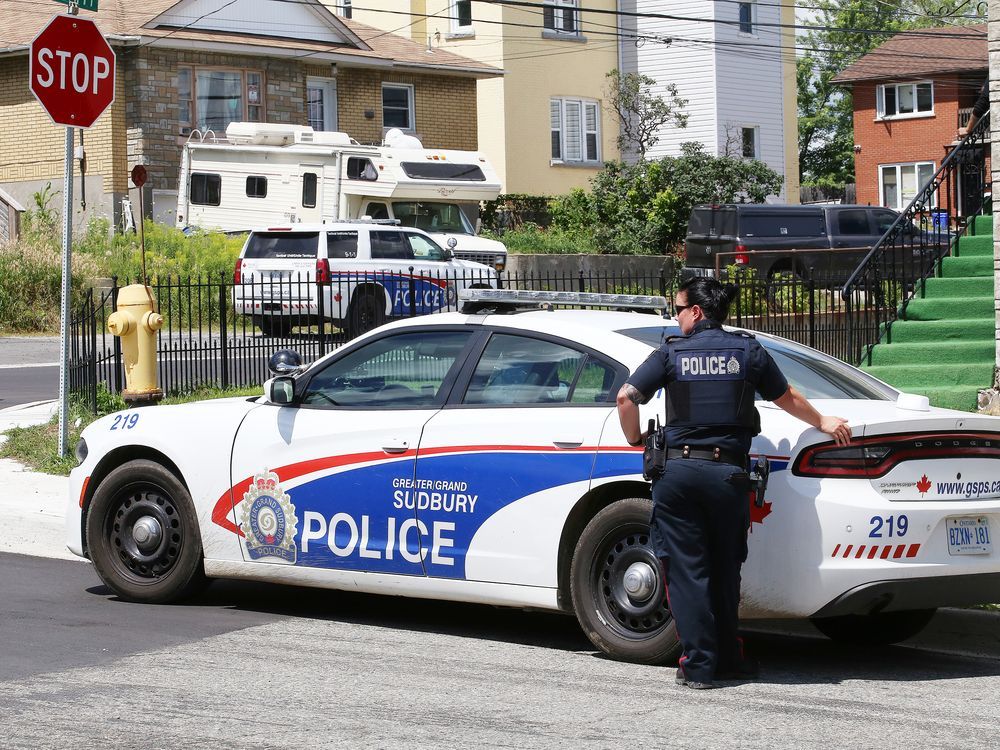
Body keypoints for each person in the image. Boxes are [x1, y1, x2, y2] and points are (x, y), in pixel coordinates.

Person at [616, 277, 851, 690]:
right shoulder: (747, 350)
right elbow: (786, 396)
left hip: (680, 475)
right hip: (729, 476)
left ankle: (699, 666)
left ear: (696, 312)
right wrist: (823, 422)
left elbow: (626, 397)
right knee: (726, 570)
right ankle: (730, 659)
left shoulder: (671, 353)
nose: (675, 317)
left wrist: (635, 438)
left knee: (687, 571)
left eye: (678, 309)